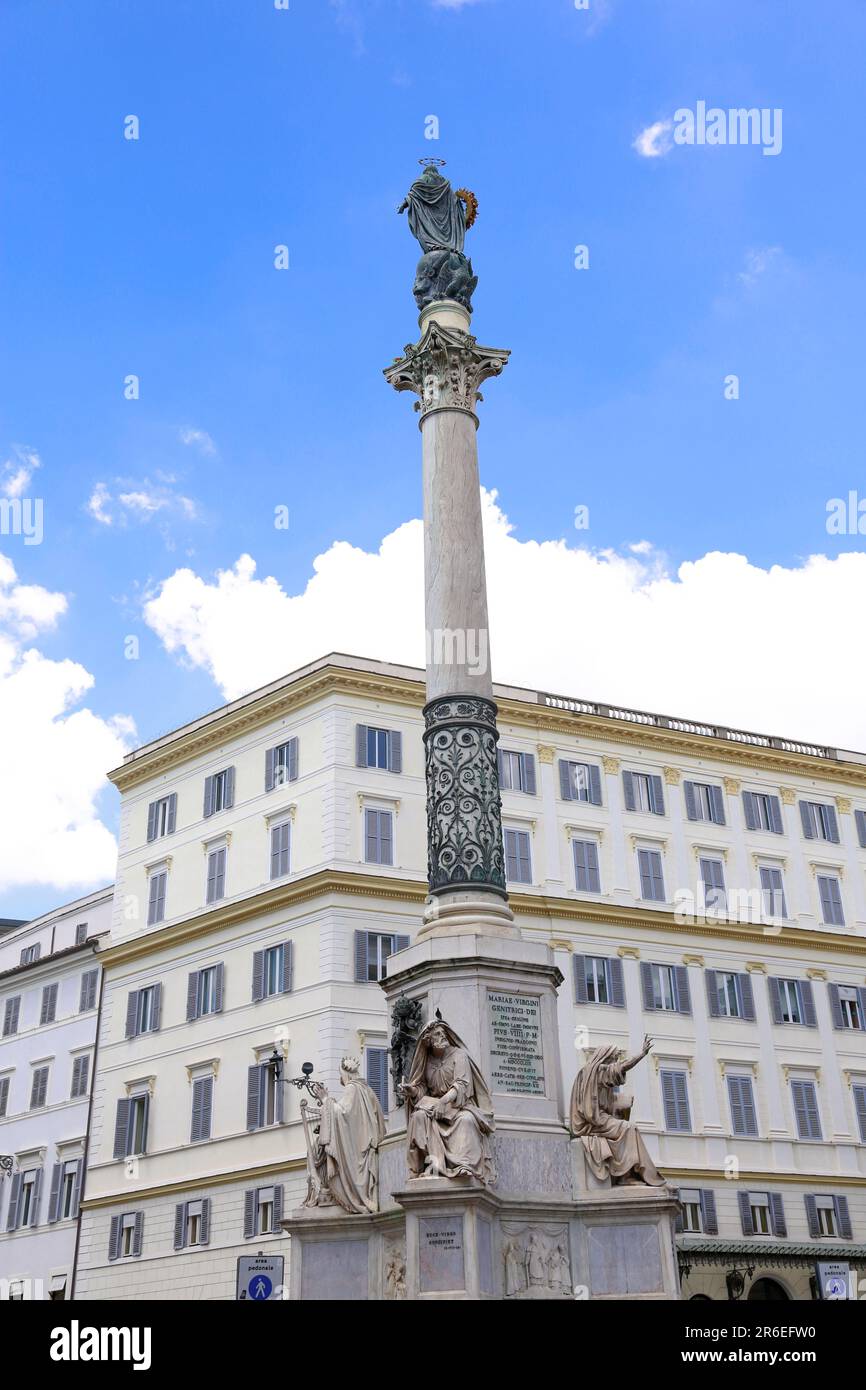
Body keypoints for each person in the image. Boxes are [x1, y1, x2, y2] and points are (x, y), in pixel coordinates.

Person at [401, 1018, 495, 1184]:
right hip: (434, 1109)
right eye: (437, 1034)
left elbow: (462, 1084)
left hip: (457, 1106)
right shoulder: (427, 1061)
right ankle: (432, 1166)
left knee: (466, 1120)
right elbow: (422, 1088)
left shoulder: (459, 1055)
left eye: (443, 1033)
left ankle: (464, 1165)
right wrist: (412, 1090)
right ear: (428, 1041)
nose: (443, 1036)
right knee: (418, 1118)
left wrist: (443, 1102)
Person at [569, 1035, 666, 1187]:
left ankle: (628, 1173)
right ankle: (625, 1175)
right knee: (629, 1129)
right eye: (613, 1058)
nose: (615, 1062)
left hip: (595, 1118)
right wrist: (641, 1055)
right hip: (592, 1121)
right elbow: (622, 1067)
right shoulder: (594, 1071)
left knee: (627, 1128)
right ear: (605, 1058)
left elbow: (604, 1097)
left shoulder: (591, 1074)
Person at [302, 1056, 386, 1214]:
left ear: (346, 1074)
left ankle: (324, 1191)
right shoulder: (367, 1090)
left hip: (356, 1149)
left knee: (315, 1152)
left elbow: (343, 1114)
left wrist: (325, 1099)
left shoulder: (352, 1088)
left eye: (341, 1074)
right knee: (317, 1149)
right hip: (364, 1144)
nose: (341, 1078)